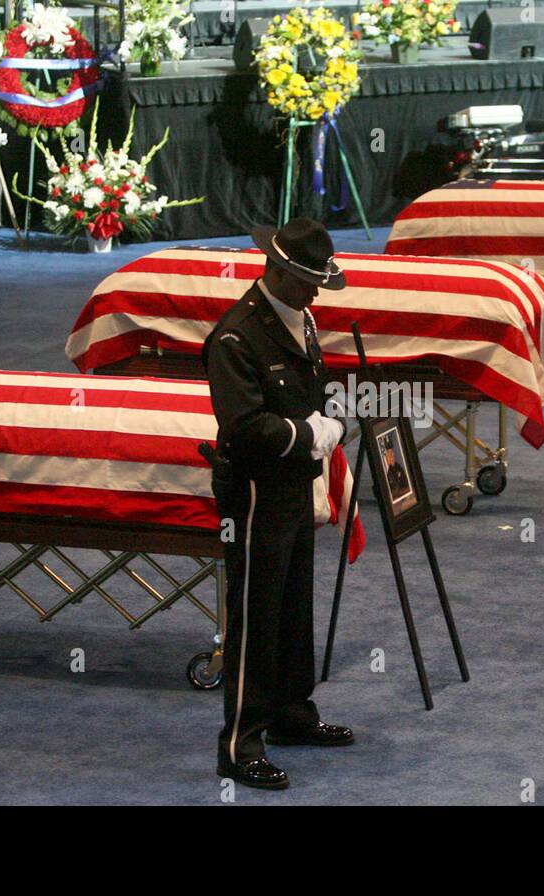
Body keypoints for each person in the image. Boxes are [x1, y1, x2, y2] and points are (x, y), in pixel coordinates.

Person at [201, 218, 355, 791]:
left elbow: (311, 391)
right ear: (279, 272)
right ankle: (240, 743)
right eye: (307, 282)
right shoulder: (237, 337)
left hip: (294, 485)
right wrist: (311, 434)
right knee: (255, 616)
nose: (316, 293)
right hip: (257, 491)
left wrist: (325, 424)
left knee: (293, 607)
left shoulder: (300, 319)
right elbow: (242, 427)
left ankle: (291, 712)